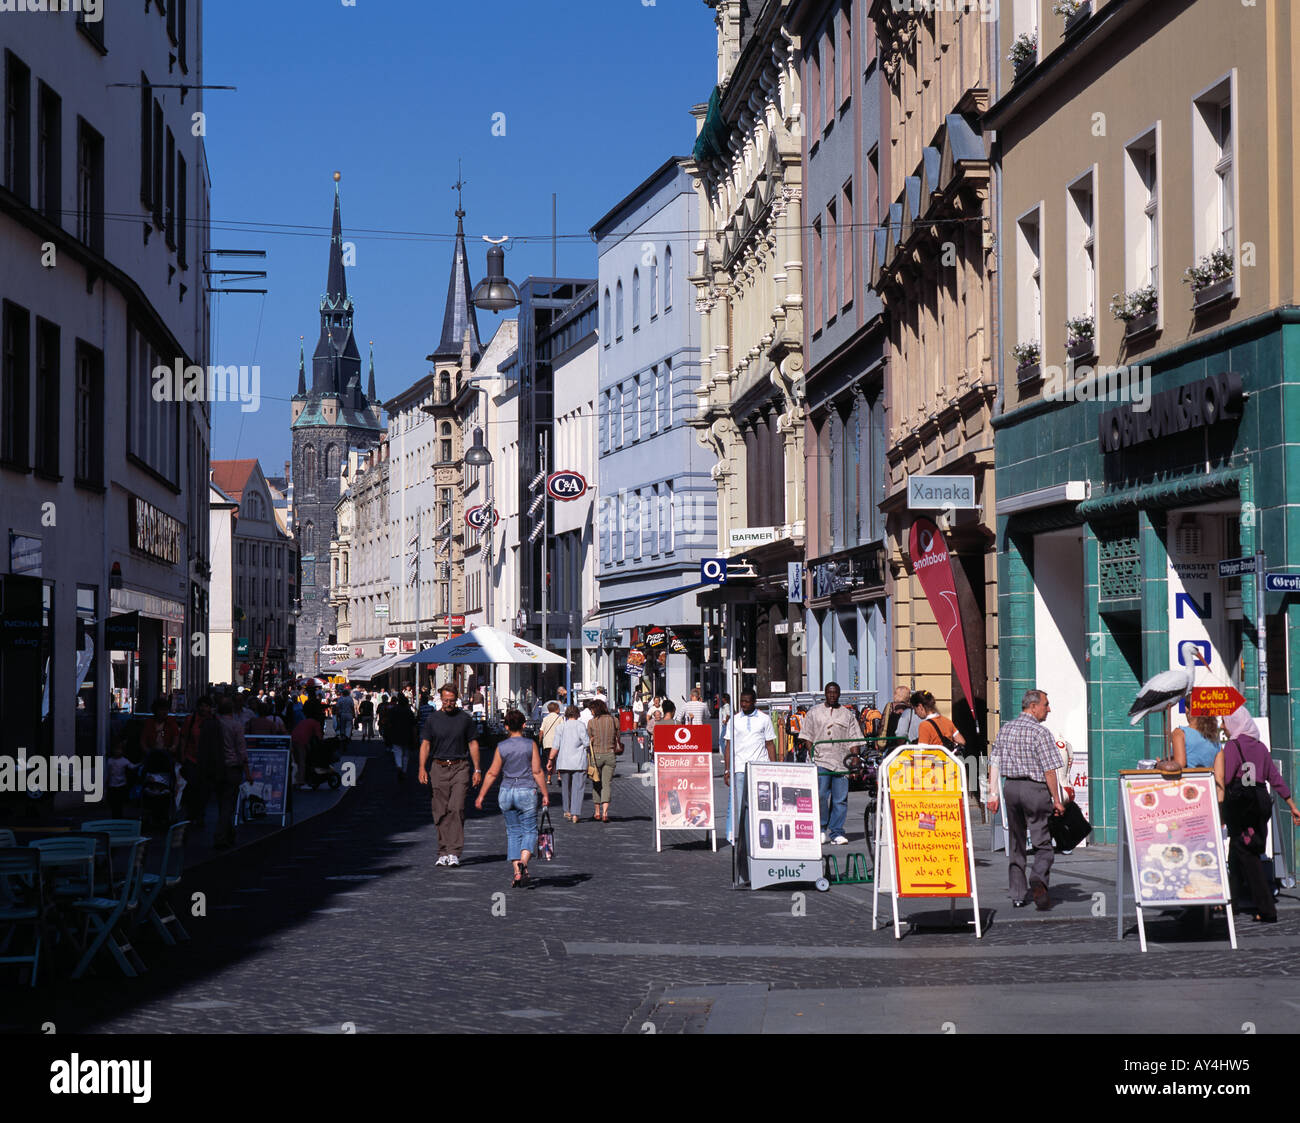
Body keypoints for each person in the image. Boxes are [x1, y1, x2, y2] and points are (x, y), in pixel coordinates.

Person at [986, 689, 1065, 910]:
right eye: (1046, 704)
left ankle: (1018, 894)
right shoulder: (1041, 732)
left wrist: (992, 794)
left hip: (1011, 788)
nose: (1048, 709)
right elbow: (1050, 771)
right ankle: (1038, 877)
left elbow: (994, 763)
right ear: (1033, 707)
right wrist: (1057, 799)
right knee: (1043, 843)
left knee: (1016, 842)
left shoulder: (1005, 729)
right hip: (1035, 790)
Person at [1220, 707, 1300, 922]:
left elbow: (1226, 779)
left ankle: (1267, 910)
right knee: (1238, 851)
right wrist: (1291, 804)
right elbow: (1275, 778)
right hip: (1260, 803)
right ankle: (1231, 902)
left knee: (1247, 852)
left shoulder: (1232, 746)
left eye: (1225, 722)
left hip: (1240, 805)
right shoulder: (1261, 747)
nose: (1223, 727)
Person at [476, 710, 550, 887]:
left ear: (506, 726)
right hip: (526, 790)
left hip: (507, 791)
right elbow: (537, 771)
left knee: (513, 832)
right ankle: (523, 863)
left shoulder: (502, 747)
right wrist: (545, 793)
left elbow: (493, 772)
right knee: (530, 831)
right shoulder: (530, 744)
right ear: (524, 725)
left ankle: (517, 872)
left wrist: (481, 795)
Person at [418, 685, 483, 867]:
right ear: (440, 699)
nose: (448, 704)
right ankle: (443, 850)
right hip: (438, 767)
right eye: (445, 700)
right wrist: (421, 768)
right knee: (440, 810)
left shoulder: (465, 719)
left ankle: (454, 851)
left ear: (457, 699)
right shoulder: (433, 719)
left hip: (460, 767)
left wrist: (477, 769)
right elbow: (425, 744)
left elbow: (473, 744)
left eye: (452, 701)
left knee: (457, 807)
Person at [799, 682, 863, 845]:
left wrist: (855, 758)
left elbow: (854, 738)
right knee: (820, 795)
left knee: (840, 799)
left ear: (839, 694)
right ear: (825, 694)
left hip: (842, 761)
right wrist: (812, 751)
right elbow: (807, 736)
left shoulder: (847, 714)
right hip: (821, 759)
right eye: (829, 693)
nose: (832, 695)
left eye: (835, 693)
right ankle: (821, 828)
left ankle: (836, 831)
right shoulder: (814, 712)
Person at [723, 690, 776, 845]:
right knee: (739, 803)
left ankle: (758, 834)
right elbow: (728, 745)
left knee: (761, 803)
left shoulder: (764, 719)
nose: (743, 704)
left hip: (760, 767)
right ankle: (738, 835)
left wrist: (773, 767)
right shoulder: (734, 720)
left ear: (754, 702)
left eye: (747, 701)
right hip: (739, 767)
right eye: (742, 701)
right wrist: (727, 769)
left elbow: (770, 744)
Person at [213, 696, 252, 850]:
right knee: (228, 803)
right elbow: (242, 751)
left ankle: (229, 833)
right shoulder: (236, 726)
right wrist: (247, 772)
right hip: (232, 767)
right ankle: (221, 836)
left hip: (217, 767)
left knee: (222, 802)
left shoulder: (215, 725)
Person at [547, 705, 591, 822]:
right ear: (577, 714)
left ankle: (567, 810)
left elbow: (556, 745)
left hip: (564, 761)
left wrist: (550, 759)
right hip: (578, 761)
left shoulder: (561, 727)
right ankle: (575, 813)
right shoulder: (581, 726)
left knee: (565, 788)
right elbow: (586, 743)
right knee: (578, 787)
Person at [586, 699, 619, 822]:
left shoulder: (591, 722)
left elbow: (589, 738)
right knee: (607, 784)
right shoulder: (614, 720)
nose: (591, 713)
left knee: (596, 783)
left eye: (592, 710)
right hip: (610, 754)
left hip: (596, 756)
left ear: (596, 709)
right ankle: (605, 812)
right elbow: (618, 736)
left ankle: (597, 811)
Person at [290, 701, 324, 791]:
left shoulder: (304, 721)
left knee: (296, 761)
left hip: (293, 738)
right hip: (302, 740)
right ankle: (301, 782)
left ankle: (295, 780)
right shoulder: (316, 723)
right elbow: (319, 737)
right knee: (302, 762)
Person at [385, 694, 417, 782]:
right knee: (406, 754)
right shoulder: (409, 712)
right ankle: (404, 770)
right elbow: (413, 725)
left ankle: (399, 766)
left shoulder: (393, 710)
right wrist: (415, 738)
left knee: (397, 752)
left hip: (395, 734)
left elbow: (389, 723)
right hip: (407, 735)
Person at [106, 737, 133, 819]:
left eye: (119, 749)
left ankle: (119, 817)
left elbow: (132, 767)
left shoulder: (124, 760)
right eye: (115, 749)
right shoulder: (110, 761)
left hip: (121, 784)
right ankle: (114, 817)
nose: (117, 751)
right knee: (113, 803)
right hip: (112, 785)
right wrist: (106, 783)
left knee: (120, 803)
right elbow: (107, 773)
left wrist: (141, 763)